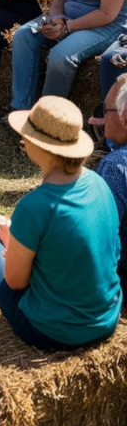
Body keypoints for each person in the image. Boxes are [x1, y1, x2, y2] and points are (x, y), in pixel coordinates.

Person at [0, 96, 122, 349]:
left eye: (26, 134)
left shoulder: (33, 206)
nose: (22, 138)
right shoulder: (99, 182)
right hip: (105, 320)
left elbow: (16, 282)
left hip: (51, 332)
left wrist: (10, 242)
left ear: (40, 146)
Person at [96, 74, 127, 301]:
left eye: (105, 112)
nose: (101, 119)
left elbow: (98, 238)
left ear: (125, 117)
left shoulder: (116, 165)